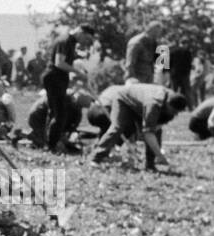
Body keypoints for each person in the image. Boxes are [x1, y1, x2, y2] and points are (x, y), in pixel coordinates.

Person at [90, 82, 188, 170]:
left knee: (156, 131)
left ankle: (150, 164)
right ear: (168, 105)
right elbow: (148, 133)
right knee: (118, 127)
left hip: (139, 103)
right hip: (123, 99)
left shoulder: (172, 97)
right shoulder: (153, 104)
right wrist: (160, 155)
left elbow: (156, 128)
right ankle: (96, 158)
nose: (175, 115)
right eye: (174, 111)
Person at [42, 23, 95, 154]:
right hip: (54, 78)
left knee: (54, 112)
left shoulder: (71, 43)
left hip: (59, 78)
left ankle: (49, 142)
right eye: (86, 39)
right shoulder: (65, 40)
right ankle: (51, 146)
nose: (85, 42)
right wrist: (77, 72)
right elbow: (59, 62)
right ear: (81, 32)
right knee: (59, 114)